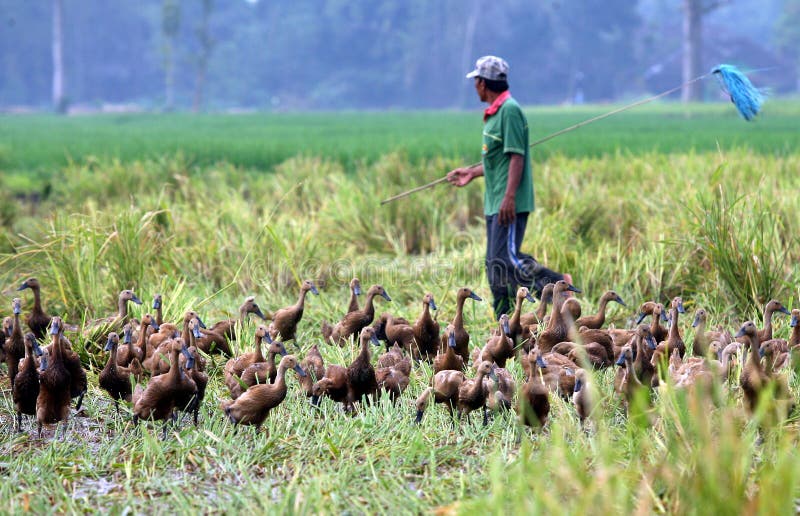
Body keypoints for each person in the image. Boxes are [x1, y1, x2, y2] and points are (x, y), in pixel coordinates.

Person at [447, 55, 573, 319]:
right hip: (495, 201)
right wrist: (471, 173)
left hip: (508, 202)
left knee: (508, 259)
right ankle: (504, 322)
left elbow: (517, 156)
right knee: (494, 266)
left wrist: (509, 197)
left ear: (483, 83)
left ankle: (558, 286)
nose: (475, 87)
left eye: (476, 82)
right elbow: (499, 161)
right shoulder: (494, 115)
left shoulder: (510, 111)